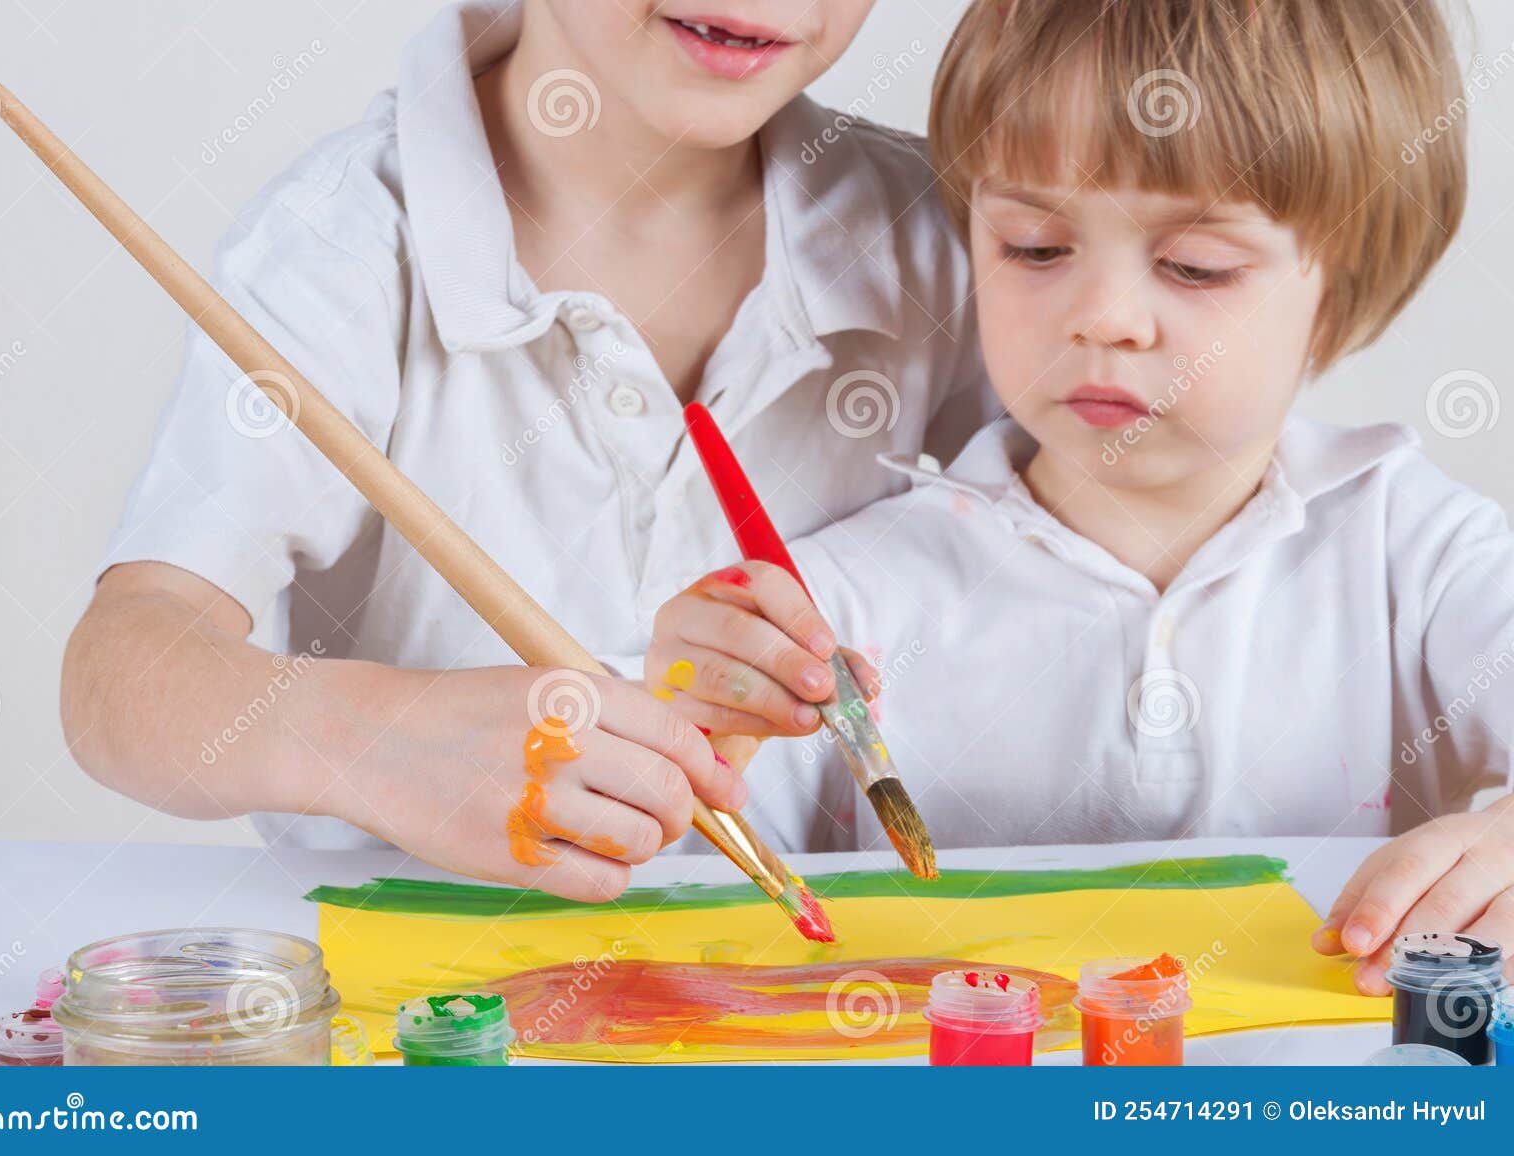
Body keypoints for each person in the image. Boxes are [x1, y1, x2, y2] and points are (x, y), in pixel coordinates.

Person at [645, 0, 1514, 993]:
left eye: (1196, 266)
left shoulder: (1419, 549)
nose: (1102, 317)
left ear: (1345, 288)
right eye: (1034, 248)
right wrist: (695, 739)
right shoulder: (845, 600)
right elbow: (685, 921)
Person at [61, 0, 993, 903]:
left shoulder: (972, 235)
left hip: (812, 992)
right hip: (430, 1011)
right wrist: (379, 737)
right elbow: (119, 674)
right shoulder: (342, 244)